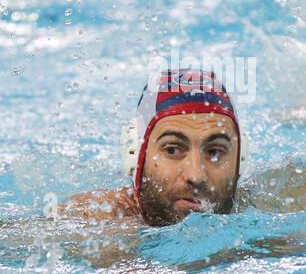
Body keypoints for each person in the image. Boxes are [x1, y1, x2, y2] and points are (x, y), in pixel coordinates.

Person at [64, 68, 242, 226]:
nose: (196, 176)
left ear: (240, 161)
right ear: (136, 155)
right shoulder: (93, 221)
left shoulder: (264, 209)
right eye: (172, 150)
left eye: (215, 152)